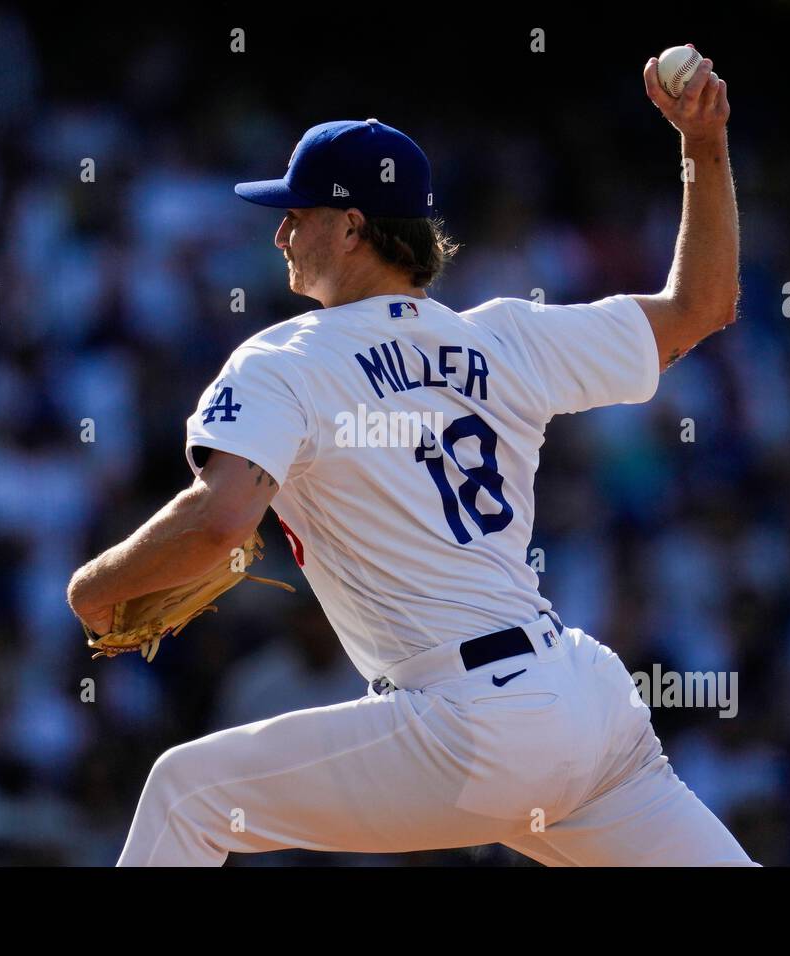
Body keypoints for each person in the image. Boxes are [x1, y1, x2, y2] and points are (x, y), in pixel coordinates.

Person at [67, 51, 754, 865]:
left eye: (299, 211)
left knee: (189, 794)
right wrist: (703, 148)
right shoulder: (503, 334)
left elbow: (220, 521)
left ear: (353, 226)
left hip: (468, 721)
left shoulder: (285, 358)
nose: (281, 229)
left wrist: (94, 588)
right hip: (588, 705)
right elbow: (703, 307)